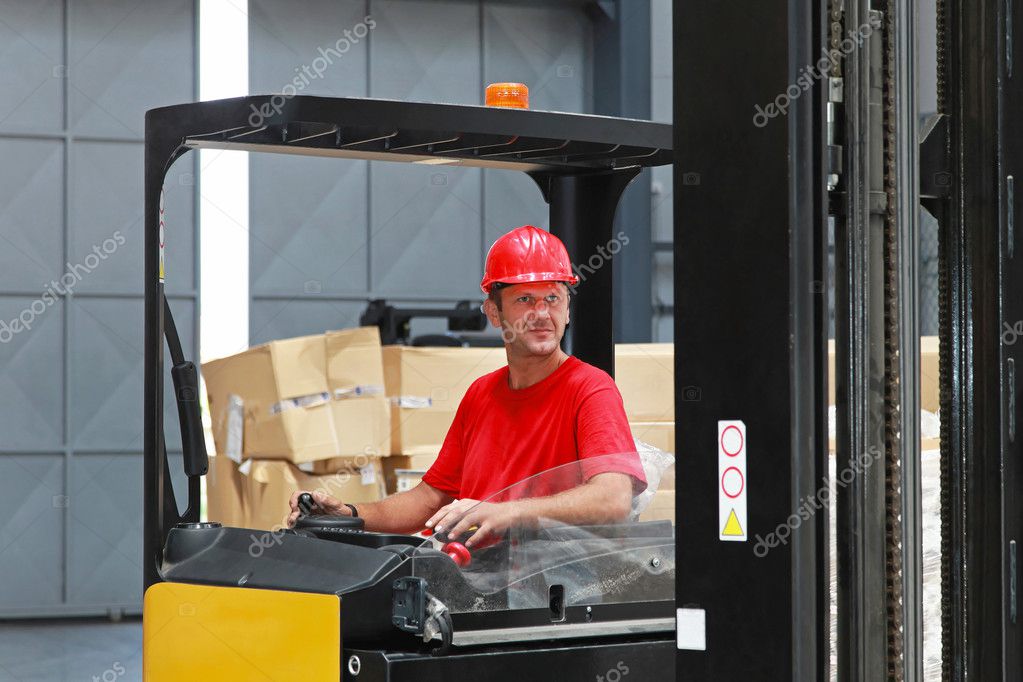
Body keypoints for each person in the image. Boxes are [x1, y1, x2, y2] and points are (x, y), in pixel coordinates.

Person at [289, 225, 645, 547]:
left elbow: (612, 499)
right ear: (494, 312)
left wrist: (505, 512)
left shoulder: (590, 389)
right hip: (469, 579)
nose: (541, 313)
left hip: (542, 590)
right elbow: (429, 499)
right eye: (524, 300)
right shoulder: (481, 394)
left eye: (552, 298)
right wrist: (350, 515)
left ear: (567, 310)